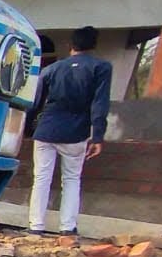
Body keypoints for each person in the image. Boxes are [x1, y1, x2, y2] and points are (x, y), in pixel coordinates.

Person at [27, 26, 112, 236]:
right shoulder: (101, 67)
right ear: (93, 46)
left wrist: (27, 128)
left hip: (46, 130)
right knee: (72, 179)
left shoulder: (52, 69)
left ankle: (35, 226)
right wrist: (98, 135)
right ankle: (67, 227)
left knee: (41, 178)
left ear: (70, 45)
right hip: (75, 132)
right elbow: (99, 104)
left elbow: (35, 101)